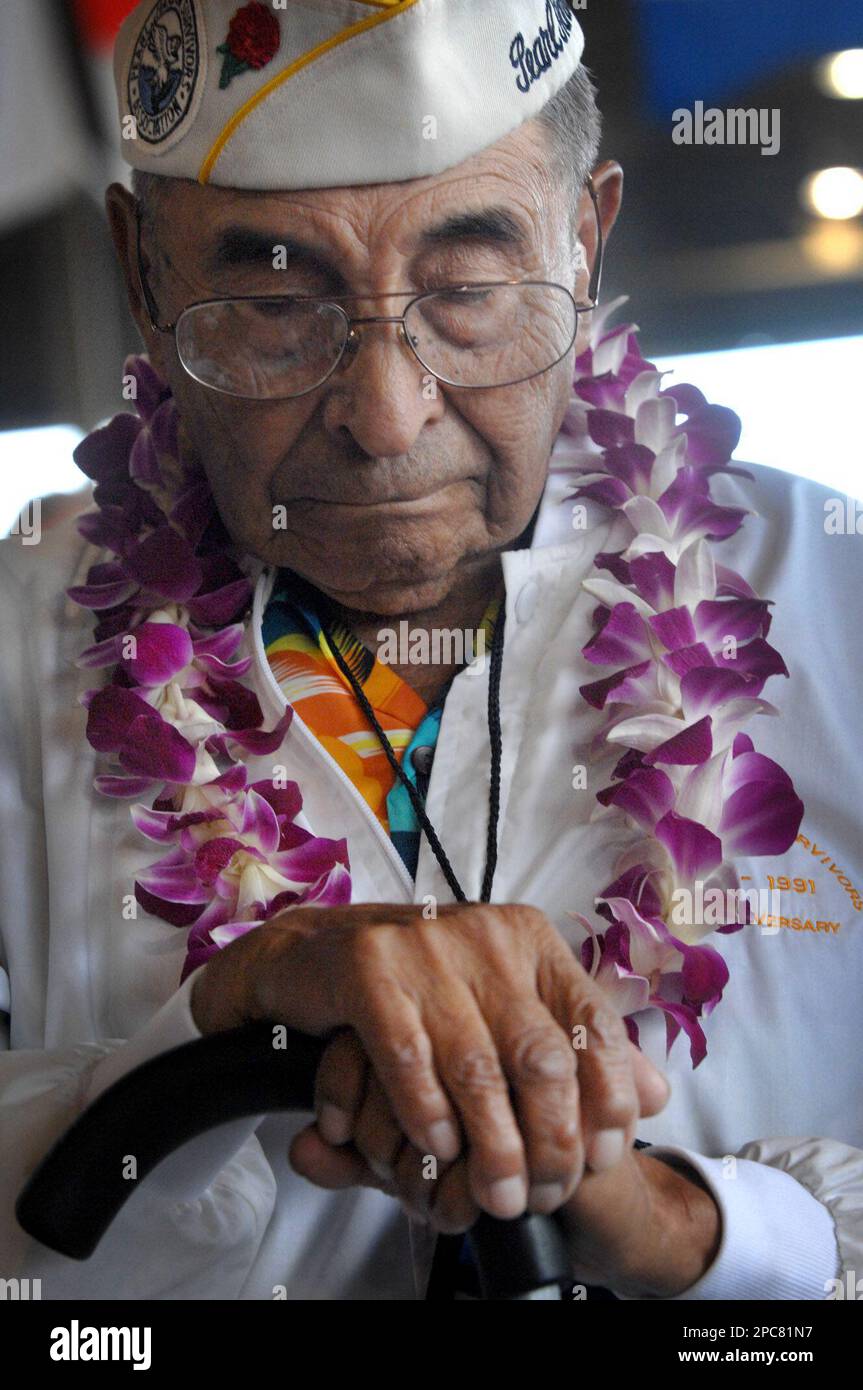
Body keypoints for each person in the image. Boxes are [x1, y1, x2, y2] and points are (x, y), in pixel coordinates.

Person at [1, 0, 861, 1302]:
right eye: (275, 297)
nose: (387, 419)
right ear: (143, 275)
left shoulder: (841, 593)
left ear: (586, 237)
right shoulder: (16, 640)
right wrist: (198, 1052)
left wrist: (703, 1232)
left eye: (470, 293)